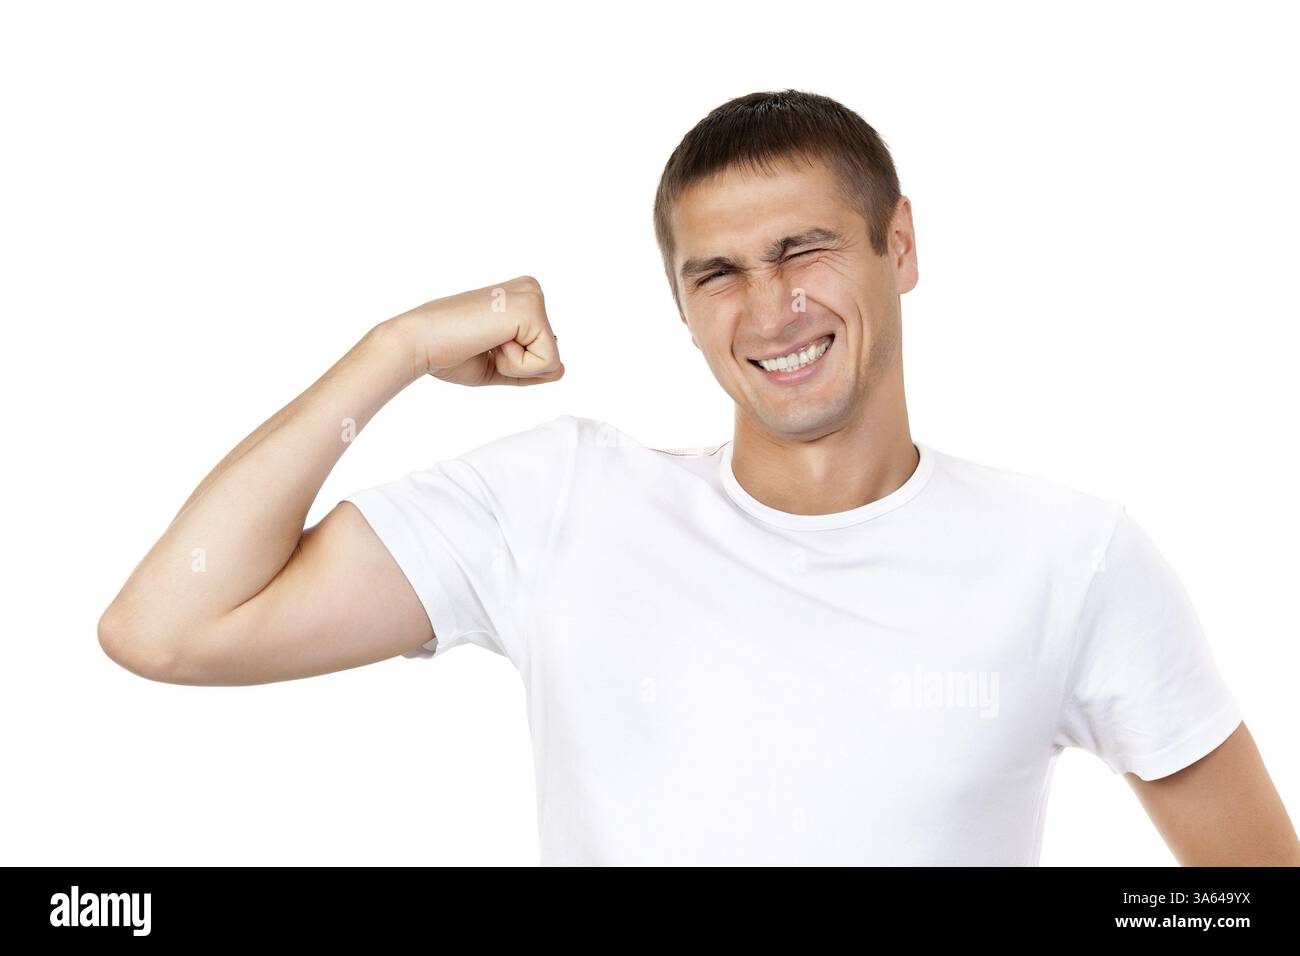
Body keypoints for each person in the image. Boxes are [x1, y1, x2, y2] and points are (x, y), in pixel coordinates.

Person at [98, 89, 1300, 866]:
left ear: (900, 247)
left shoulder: (1068, 553)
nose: (768, 308)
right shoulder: (559, 503)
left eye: (802, 249)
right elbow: (167, 627)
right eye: (716, 272)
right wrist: (395, 349)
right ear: (679, 305)